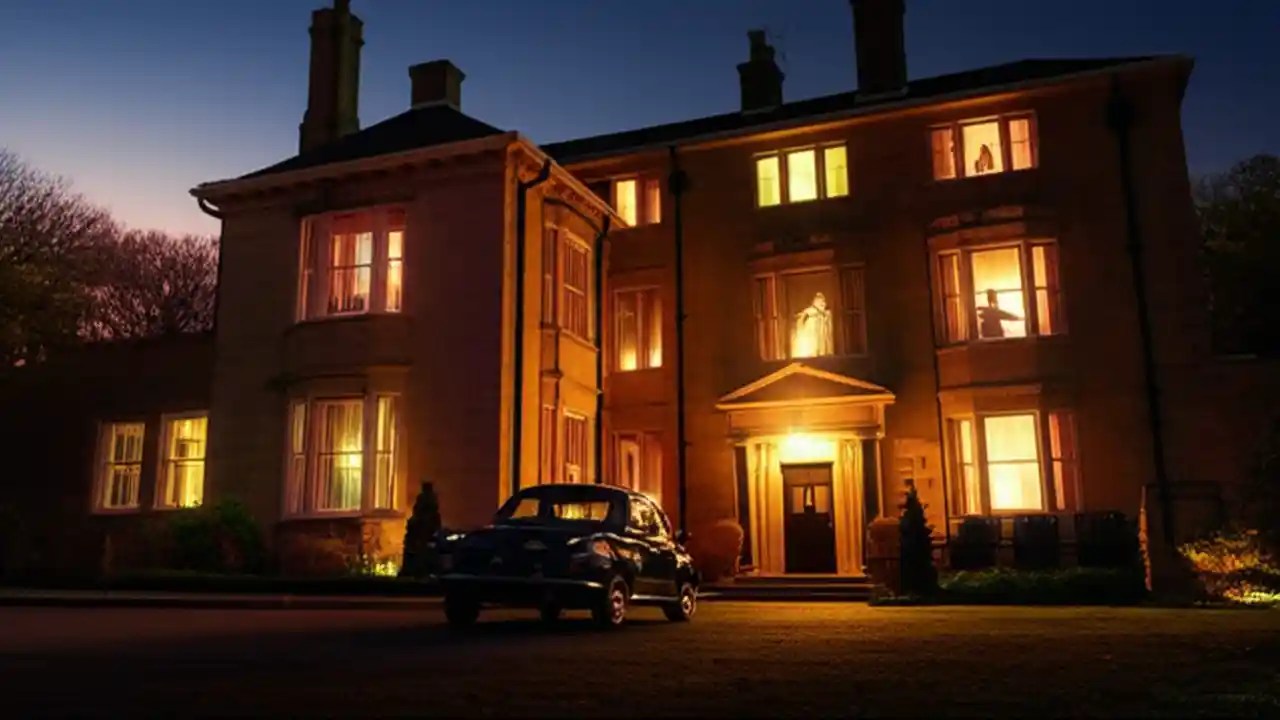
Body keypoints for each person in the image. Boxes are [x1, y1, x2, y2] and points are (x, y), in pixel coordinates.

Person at [792, 292, 834, 357]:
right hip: (811, 330)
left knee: (820, 344)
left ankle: (820, 352)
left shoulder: (825, 313)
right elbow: (802, 317)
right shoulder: (810, 310)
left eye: (822, 301)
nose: (821, 303)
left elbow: (826, 317)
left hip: (820, 330)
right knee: (813, 343)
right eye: (818, 300)